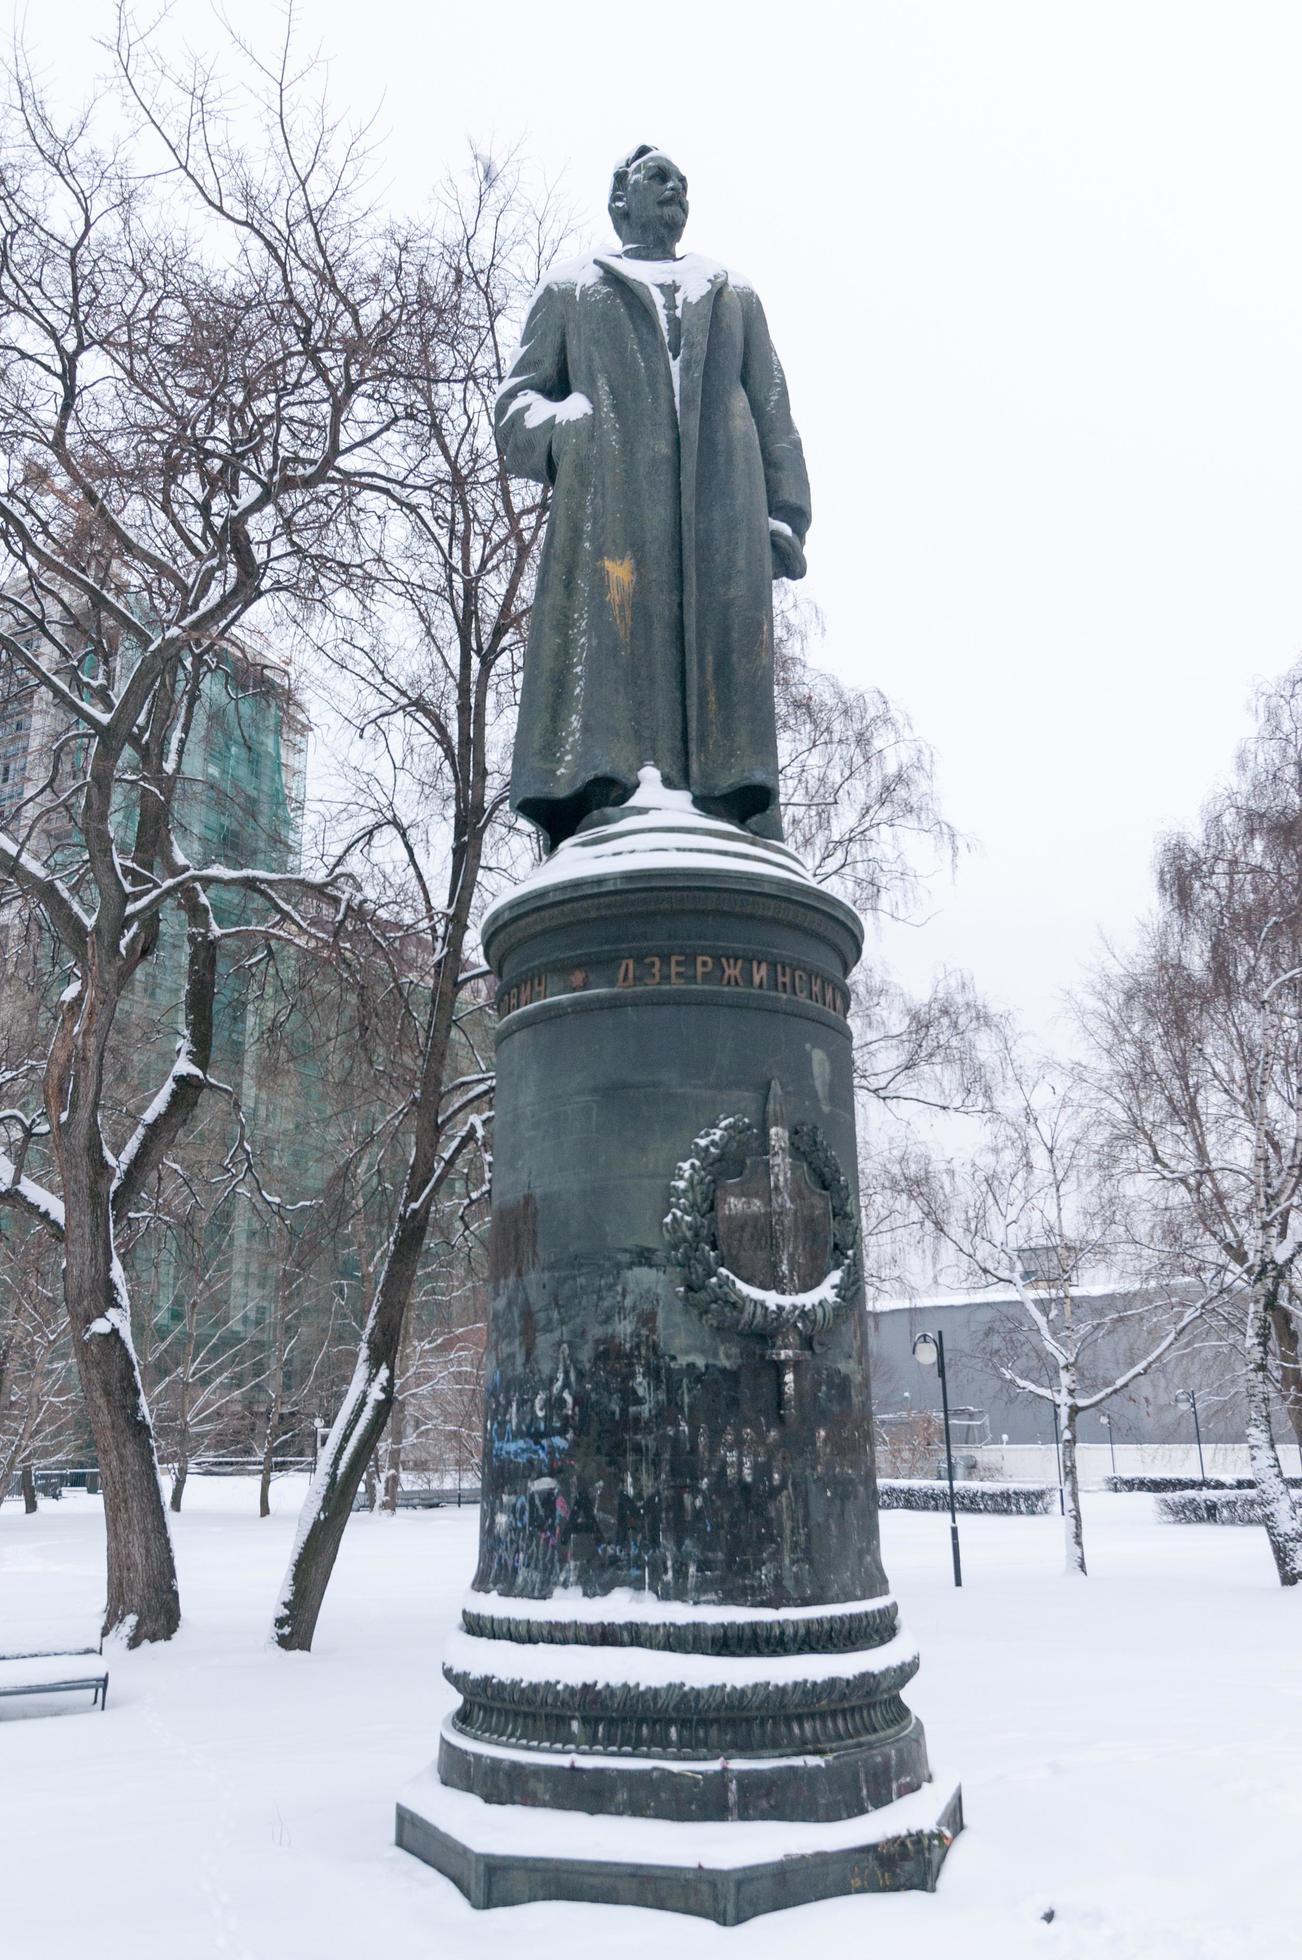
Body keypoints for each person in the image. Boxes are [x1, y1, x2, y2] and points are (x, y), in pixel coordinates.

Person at [495, 145, 811, 852]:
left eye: (682, 184)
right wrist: (570, 428)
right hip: (613, 514)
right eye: (658, 178)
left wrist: (784, 516)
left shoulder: (733, 293)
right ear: (620, 198)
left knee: (721, 665)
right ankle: (615, 787)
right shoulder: (573, 289)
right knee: (617, 649)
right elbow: (514, 411)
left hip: (721, 511)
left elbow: (773, 410)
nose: (675, 191)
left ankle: (724, 802)